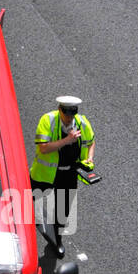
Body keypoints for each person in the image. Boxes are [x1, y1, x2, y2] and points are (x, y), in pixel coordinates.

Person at [29, 95, 96, 257]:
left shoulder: (81, 122)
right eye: (66, 114)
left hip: (68, 174)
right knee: (27, 199)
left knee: (63, 211)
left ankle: (57, 241)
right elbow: (43, 148)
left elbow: (91, 141)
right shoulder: (48, 120)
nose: (69, 118)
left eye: (72, 114)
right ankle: (22, 231)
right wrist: (67, 140)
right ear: (60, 110)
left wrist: (90, 157)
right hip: (45, 173)